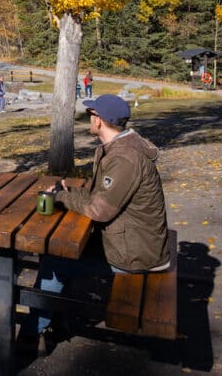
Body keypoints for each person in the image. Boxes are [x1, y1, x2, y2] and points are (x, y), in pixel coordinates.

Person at [29, 94, 169, 339]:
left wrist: (60, 198)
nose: (89, 119)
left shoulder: (124, 158)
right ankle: (50, 321)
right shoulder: (120, 148)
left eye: (91, 115)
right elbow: (99, 195)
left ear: (100, 121)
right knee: (59, 253)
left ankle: (31, 334)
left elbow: (99, 211)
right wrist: (68, 192)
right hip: (131, 240)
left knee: (55, 260)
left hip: (135, 254)